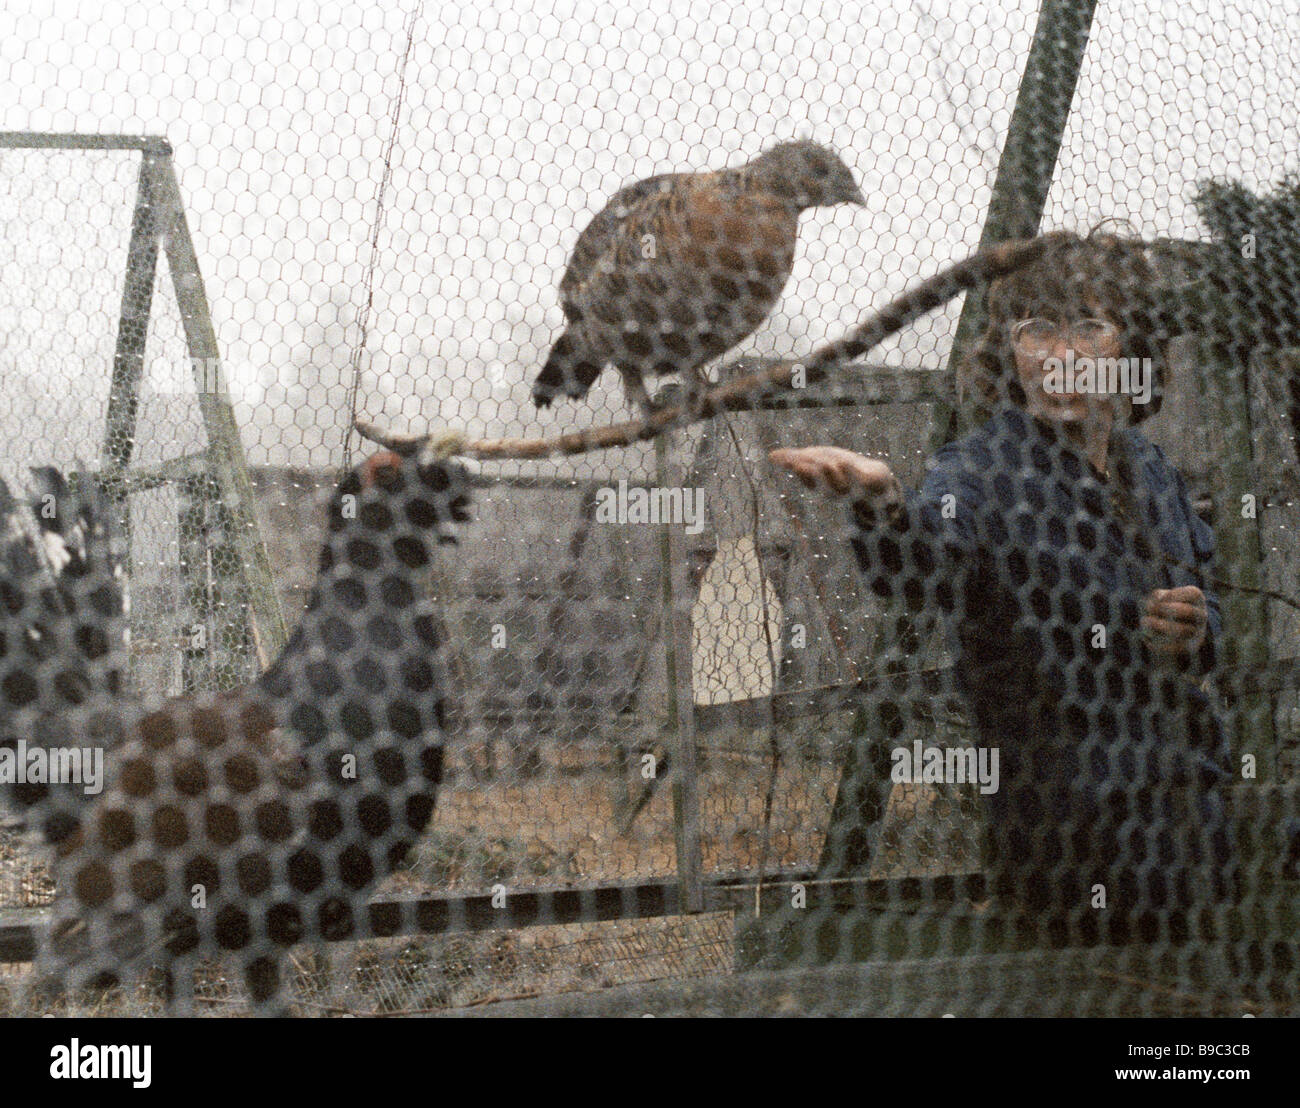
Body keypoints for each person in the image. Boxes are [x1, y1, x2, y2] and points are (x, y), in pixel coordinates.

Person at [771, 229, 1237, 946]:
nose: (1062, 355)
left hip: (1193, 792)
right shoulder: (986, 470)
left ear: (1132, 350)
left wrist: (1198, 631)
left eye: (1090, 327)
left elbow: (1217, 616)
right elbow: (920, 567)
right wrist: (883, 506)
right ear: (1009, 351)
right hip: (1076, 825)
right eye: (1037, 330)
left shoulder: (1153, 470)